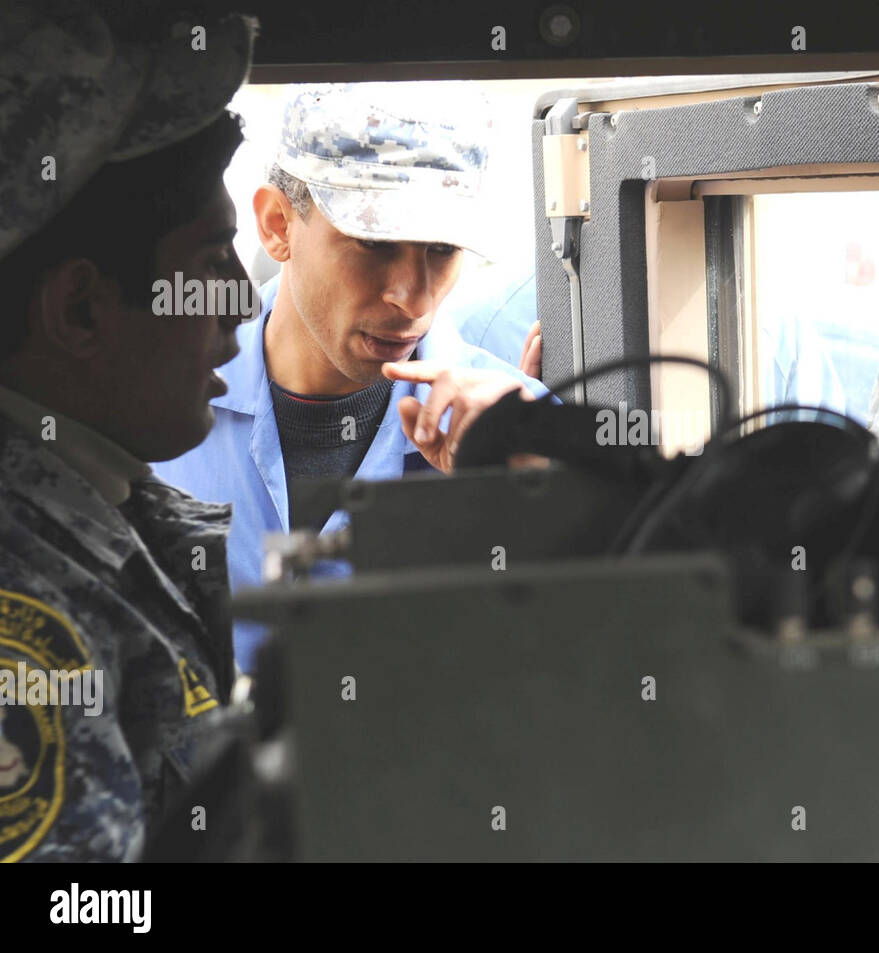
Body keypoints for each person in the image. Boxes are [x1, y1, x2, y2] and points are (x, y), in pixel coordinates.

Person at [153, 86, 548, 673]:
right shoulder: (149, 403)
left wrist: (527, 507)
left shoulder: (523, 432)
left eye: (442, 250)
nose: (413, 299)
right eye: (375, 245)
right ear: (277, 223)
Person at [0, 3, 257, 860]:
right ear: (79, 309)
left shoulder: (101, 506)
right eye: (214, 265)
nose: (244, 304)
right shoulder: (20, 608)